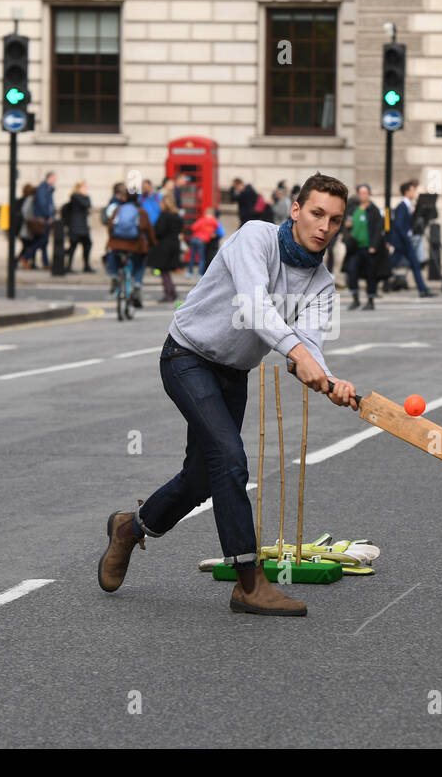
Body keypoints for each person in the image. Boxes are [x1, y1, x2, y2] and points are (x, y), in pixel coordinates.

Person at [96, 172, 358, 617]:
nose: (323, 227)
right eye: (316, 213)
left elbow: (307, 349)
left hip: (232, 373)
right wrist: (300, 354)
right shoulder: (255, 238)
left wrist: (331, 382)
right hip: (187, 357)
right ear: (295, 210)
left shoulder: (322, 285)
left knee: (201, 479)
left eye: (334, 221)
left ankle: (130, 527)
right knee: (230, 461)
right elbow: (255, 307)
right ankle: (248, 583)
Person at [106, 192, 157, 307]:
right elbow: (148, 229)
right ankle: (137, 285)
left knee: (113, 255)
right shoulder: (141, 211)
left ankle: (114, 276)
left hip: (117, 243)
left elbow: (110, 226)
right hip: (135, 245)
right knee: (140, 263)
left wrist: (111, 240)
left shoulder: (118, 209)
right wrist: (153, 243)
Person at [390, 179, 435, 298]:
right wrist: (406, 237)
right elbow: (399, 225)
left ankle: (423, 289)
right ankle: (375, 282)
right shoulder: (402, 206)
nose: (414, 192)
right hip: (403, 242)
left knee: (414, 264)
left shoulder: (409, 206)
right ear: (406, 192)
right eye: (412, 190)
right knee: (391, 264)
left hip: (405, 241)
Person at [345, 184, 385, 310]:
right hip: (355, 247)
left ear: (369, 194)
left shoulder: (373, 209)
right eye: (361, 193)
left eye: (365, 193)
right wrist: (347, 226)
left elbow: (379, 228)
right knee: (352, 272)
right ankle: (355, 299)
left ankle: (370, 300)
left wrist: (374, 245)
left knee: (370, 275)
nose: (363, 195)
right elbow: (345, 223)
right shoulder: (353, 209)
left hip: (369, 247)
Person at [146, 190, 184, 303]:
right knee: (166, 271)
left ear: (165, 204)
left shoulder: (164, 216)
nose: (159, 205)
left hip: (164, 247)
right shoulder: (177, 215)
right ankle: (172, 291)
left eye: (161, 203)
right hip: (174, 244)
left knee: (163, 271)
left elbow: (159, 231)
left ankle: (168, 294)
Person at [62, 180, 94, 272]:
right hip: (75, 226)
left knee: (87, 245)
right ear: (79, 188)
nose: (86, 189)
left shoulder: (84, 197)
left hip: (83, 226)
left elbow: (88, 207)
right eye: (84, 187)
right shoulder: (75, 196)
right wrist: (86, 197)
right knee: (73, 246)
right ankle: (68, 266)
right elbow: (86, 205)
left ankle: (86, 265)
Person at [189, 206, 219, 276]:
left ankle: (190, 272)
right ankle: (200, 273)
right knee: (201, 258)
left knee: (192, 256)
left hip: (194, 239)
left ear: (205, 213)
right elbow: (217, 228)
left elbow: (193, 227)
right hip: (202, 241)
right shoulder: (214, 222)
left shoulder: (202, 220)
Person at [16, 183, 38, 269]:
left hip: (22, 227)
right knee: (28, 246)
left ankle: (27, 261)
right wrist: (31, 221)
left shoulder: (21, 200)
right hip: (26, 227)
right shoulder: (29, 199)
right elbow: (25, 212)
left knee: (27, 245)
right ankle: (19, 260)